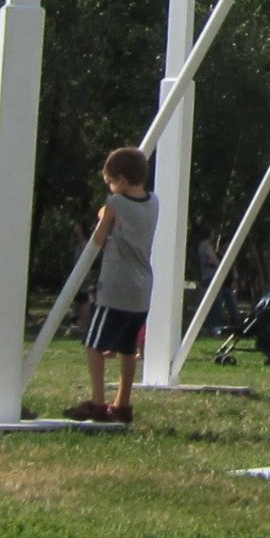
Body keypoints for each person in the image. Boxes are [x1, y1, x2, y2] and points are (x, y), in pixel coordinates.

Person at [65, 146, 159, 424]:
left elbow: (99, 238)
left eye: (111, 182)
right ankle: (122, 404)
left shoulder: (115, 203)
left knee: (94, 344)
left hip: (116, 285)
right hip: (142, 287)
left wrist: (105, 217)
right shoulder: (154, 202)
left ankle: (97, 401)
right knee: (128, 348)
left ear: (121, 179)